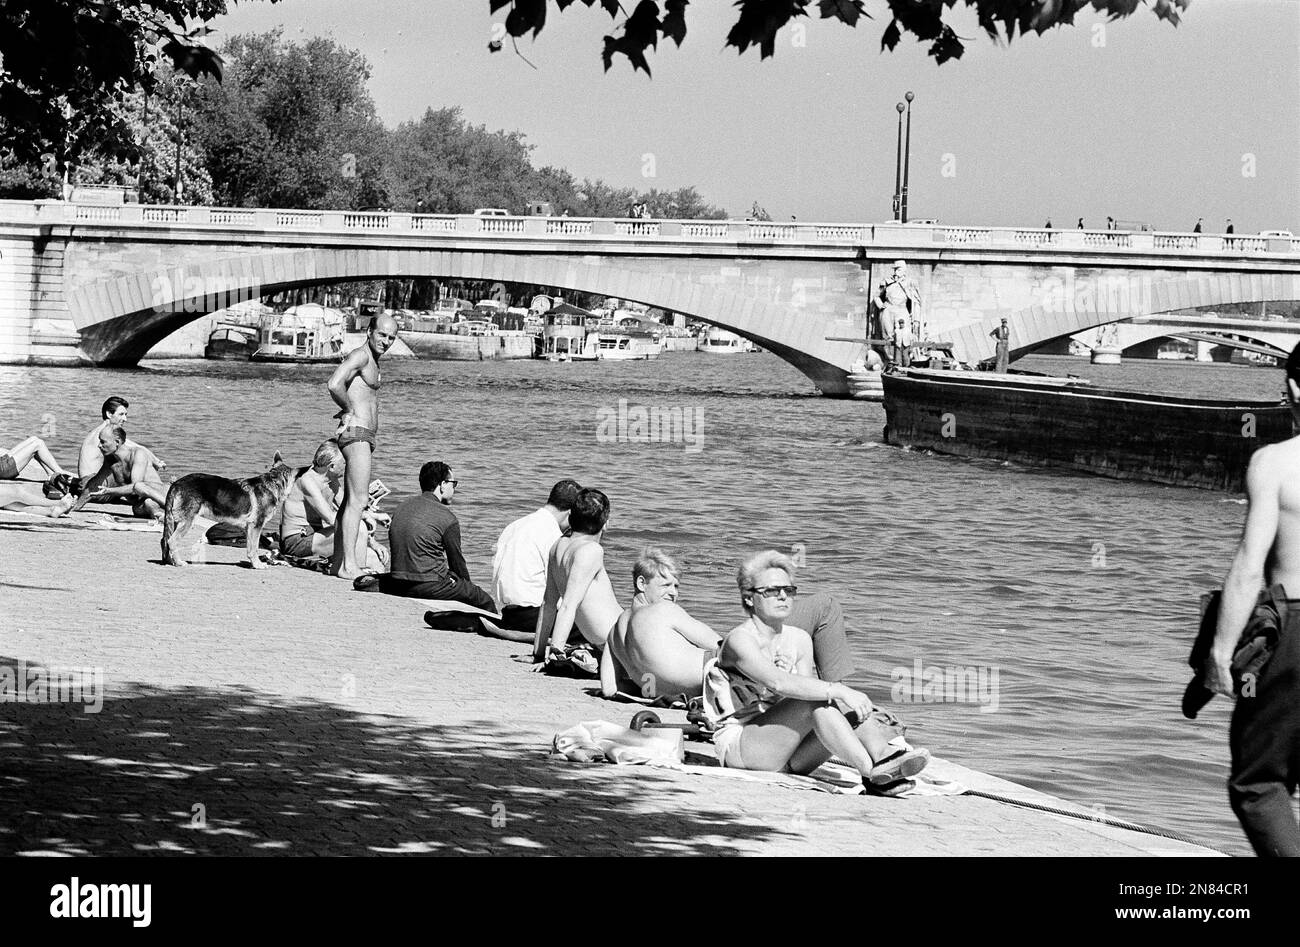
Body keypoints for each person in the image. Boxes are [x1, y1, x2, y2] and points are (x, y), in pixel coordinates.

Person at [708, 550, 930, 789]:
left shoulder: (800, 639)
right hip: (742, 745)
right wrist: (838, 690)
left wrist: (843, 698)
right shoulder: (740, 640)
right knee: (824, 696)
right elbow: (777, 683)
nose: (782, 596)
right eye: (771, 591)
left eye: (788, 590)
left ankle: (882, 756)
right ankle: (872, 772)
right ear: (749, 598)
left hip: (790, 754)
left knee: (844, 708)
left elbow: (805, 701)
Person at [1206, 342, 1300, 856]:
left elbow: (1248, 566)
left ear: (1293, 389)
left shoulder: (1276, 464)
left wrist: (1221, 654)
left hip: (1295, 634)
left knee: (1258, 781)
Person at [327, 313, 399, 579]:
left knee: (349, 501)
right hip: (357, 433)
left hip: (362, 435)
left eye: (392, 337)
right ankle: (349, 566)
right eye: (382, 334)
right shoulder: (361, 356)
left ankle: (338, 564)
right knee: (358, 501)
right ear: (369, 331)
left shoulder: (372, 359)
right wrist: (347, 408)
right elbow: (334, 383)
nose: (386, 341)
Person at [601, 548, 722, 699]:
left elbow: (609, 688)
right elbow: (721, 646)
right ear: (641, 583)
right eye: (666, 585)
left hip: (656, 691)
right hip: (712, 675)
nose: (674, 593)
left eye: (676, 586)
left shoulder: (614, 634)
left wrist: (652, 688)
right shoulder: (663, 610)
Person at [378, 460, 493, 610]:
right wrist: (468, 589)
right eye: (454, 484)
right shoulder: (447, 517)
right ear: (443, 484)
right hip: (428, 585)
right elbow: (457, 563)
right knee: (483, 599)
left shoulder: (401, 507)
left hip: (399, 581)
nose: (454, 489)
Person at [485, 479, 582, 642]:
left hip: (508, 614)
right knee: (594, 626)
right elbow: (560, 592)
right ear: (570, 513)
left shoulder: (514, 526)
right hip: (534, 616)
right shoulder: (553, 535)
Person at [532, 488, 622, 662]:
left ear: (571, 517)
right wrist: (555, 657)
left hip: (603, 642)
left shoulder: (557, 546)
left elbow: (549, 604)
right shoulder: (591, 550)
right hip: (619, 640)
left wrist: (538, 654)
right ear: (606, 524)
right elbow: (567, 606)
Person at [280, 439, 386, 569]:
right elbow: (331, 519)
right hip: (297, 542)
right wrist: (364, 518)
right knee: (358, 528)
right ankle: (353, 573)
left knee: (373, 557)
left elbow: (351, 508)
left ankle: (369, 581)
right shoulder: (307, 481)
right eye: (345, 462)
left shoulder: (331, 480)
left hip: (317, 537)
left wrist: (374, 519)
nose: (348, 466)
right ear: (332, 466)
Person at [70, 425, 168, 519]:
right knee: (138, 509)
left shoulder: (137, 454)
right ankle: (161, 516)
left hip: (162, 495)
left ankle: (167, 512)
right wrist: (75, 508)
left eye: (103, 442)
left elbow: (136, 488)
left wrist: (108, 491)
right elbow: (94, 485)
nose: (99, 445)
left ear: (117, 441)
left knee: (147, 500)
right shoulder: (110, 459)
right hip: (142, 503)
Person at [78, 396, 166, 479]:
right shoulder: (104, 433)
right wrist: (156, 462)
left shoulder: (103, 431)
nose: (125, 419)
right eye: (121, 414)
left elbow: (133, 445)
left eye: (125, 414)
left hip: (91, 479)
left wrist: (155, 460)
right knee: (139, 460)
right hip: (90, 482)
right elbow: (136, 448)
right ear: (109, 414)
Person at [0, 435, 69, 482]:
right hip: (3, 469)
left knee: (34, 438)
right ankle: (61, 473)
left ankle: (51, 475)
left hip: (2, 461)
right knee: (38, 444)